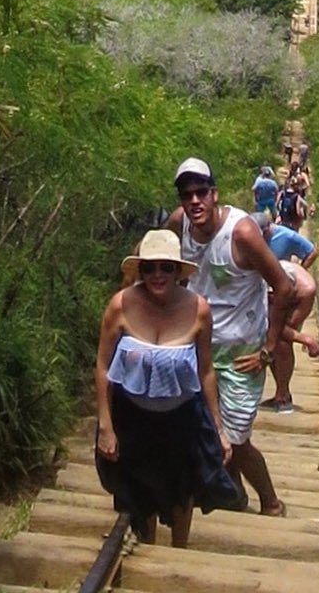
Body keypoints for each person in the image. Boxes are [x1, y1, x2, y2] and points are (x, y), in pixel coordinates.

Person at [94, 228, 238, 547]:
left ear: (177, 271)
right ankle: (147, 548)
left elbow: (206, 370)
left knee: (181, 490)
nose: (157, 275)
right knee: (139, 491)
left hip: (181, 416)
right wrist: (105, 425)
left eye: (166, 267)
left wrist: (219, 427)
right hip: (132, 416)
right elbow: (103, 366)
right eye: (149, 267)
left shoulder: (198, 309)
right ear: (141, 270)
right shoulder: (120, 305)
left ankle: (179, 552)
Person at [170, 155, 293, 517]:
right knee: (208, 433)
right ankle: (234, 495)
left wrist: (269, 350)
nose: (195, 201)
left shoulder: (241, 233)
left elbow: (283, 287)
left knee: (235, 442)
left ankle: (270, 501)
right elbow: (157, 265)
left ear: (214, 194)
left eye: (201, 193)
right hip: (197, 352)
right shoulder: (179, 226)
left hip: (242, 355)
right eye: (186, 194)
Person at [263, 254, 319, 414]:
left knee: (282, 342)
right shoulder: (269, 274)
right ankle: (281, 393)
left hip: (295, 302)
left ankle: (283, 394)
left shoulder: (306, 291)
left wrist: (304, 339)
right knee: (273, 338)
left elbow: (285, 328)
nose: (273, 298)